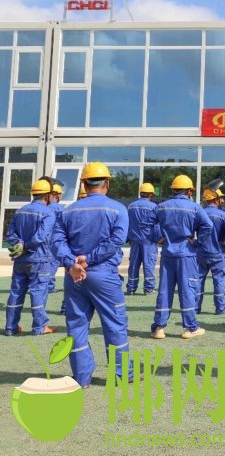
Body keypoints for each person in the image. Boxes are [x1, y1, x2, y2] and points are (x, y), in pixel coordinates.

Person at [50, 162, 131, 387]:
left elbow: (56, 241)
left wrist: (71, 263)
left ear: (83, 183)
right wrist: (91, 258)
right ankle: (122, 375)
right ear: (107, 183)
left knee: (76, 326)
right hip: (103, 275)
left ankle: (82, 377)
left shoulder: (68, 211)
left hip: (74, 276)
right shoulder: (118, 209)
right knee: (115, 325)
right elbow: (116, 241)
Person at [150, 174, 212, 340]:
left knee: (164, 290)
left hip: (168, 254)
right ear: (190, 191)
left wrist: (158, 238)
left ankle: (159, 328)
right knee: (188, 290)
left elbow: (149, 224)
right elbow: (208, 225)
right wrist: (197, 243)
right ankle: (190, 327)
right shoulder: (195, 208)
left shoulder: (161, 207)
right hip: (187, 254)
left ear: (173, 190)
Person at [5, 178, 57, 336]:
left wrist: (20, 244)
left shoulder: (20, 211)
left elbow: (10, 236)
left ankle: (11, 327)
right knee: (38, 292)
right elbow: (40, 237)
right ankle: (40, 327)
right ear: (47, 196)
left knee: (16, 292)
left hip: (20, 260)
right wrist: (27, 246)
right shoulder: (48, 213)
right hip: (39, 259)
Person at [197, 186, 225, 315]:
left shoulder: (200, 213)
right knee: (218, 281)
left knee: (199, 281)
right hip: (217, 253)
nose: (222, 200)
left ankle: (195, 308)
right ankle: (220, 308)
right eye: (220, 198)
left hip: (201, 253)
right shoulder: (222, 215)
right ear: (215, 199)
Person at [126, 183, 159, 296]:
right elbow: (156, 225)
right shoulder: (154, 207)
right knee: (149, 264)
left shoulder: (131, 206)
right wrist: (158, 239)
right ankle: (148, 289)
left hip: (134, 239)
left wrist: (128, 238)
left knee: (134, 264)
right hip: (148, 240)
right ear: (150, 194)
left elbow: (127, 223)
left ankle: (131, 288)